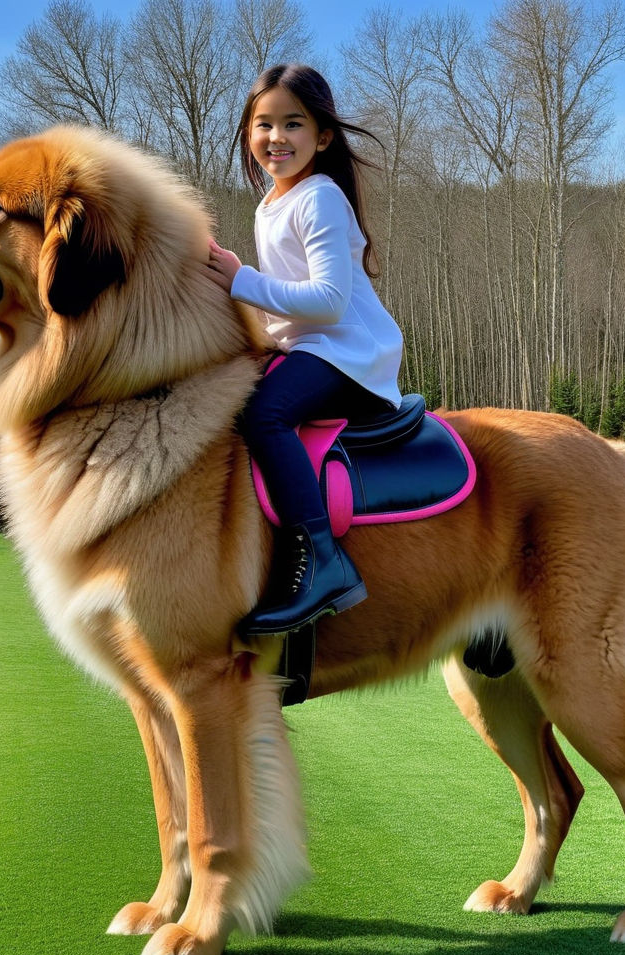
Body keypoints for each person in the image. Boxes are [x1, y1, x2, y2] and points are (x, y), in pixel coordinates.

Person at [203, 63, 404, 637]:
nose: (276, 138)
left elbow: (329, 300)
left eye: (293, 124)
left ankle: (322, 560)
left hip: (349, 354)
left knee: (264, 413)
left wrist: (240, 280)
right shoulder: (270, 205)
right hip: (311, 347)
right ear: (247, 134)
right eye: (263, 125)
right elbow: (284, 307)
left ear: (323, 137)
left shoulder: (319, 197)